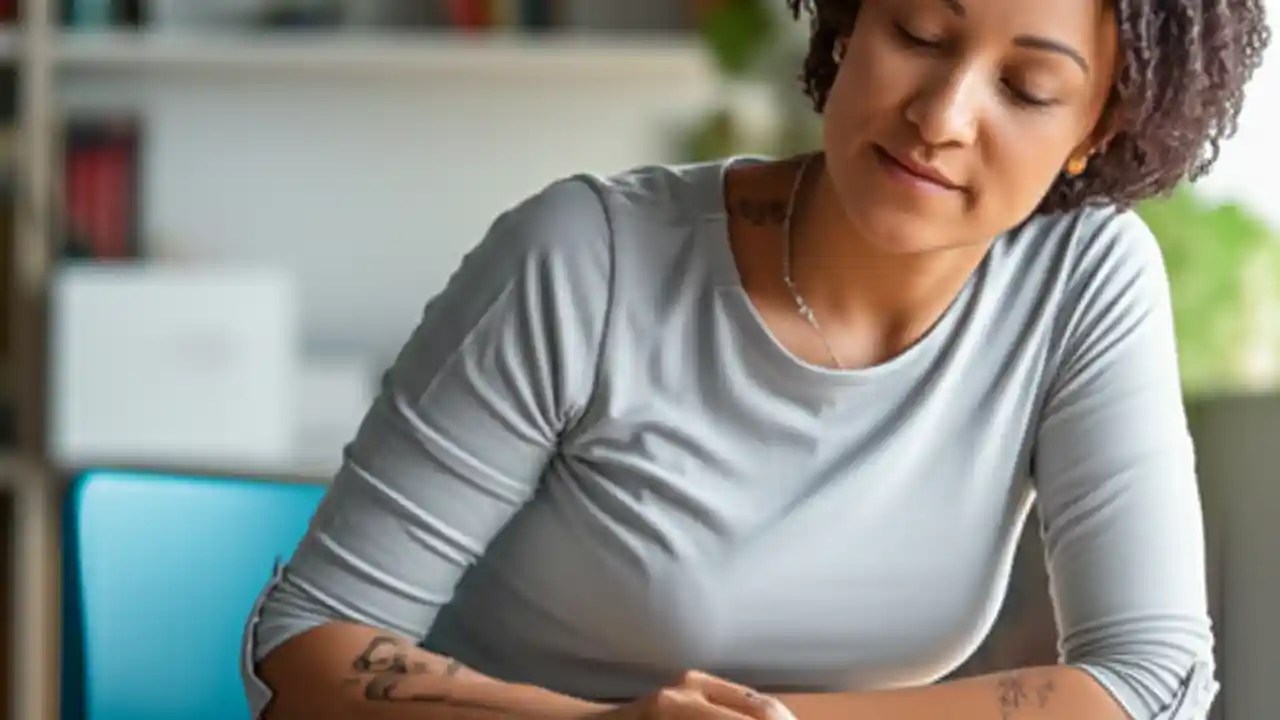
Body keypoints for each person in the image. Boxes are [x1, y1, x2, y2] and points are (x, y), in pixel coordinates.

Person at [242, 0, 1271, 718]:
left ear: (1098, 127)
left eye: (1027, 86)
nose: (941, 116)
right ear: (850, 20)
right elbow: (306, 643)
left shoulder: (1079, 280)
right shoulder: (586, 261)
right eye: (917, 31)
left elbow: (1149, 678)